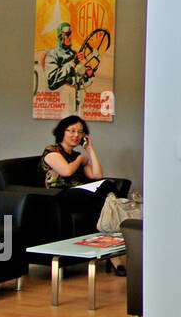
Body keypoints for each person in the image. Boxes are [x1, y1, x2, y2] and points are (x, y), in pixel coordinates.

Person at [43, 115, 129, 274]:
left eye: (80, 132)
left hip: (81, 195)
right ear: (63, 132)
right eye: (72, 131)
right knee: (106, 195)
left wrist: (90, 150)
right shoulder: (51, 151)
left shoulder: (78, 155)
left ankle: (112, 250)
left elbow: (97, 175)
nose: (76, 135)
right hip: (59, 196)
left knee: (106, 187)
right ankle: (116, 252)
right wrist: (81, 160)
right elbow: (66, 171)